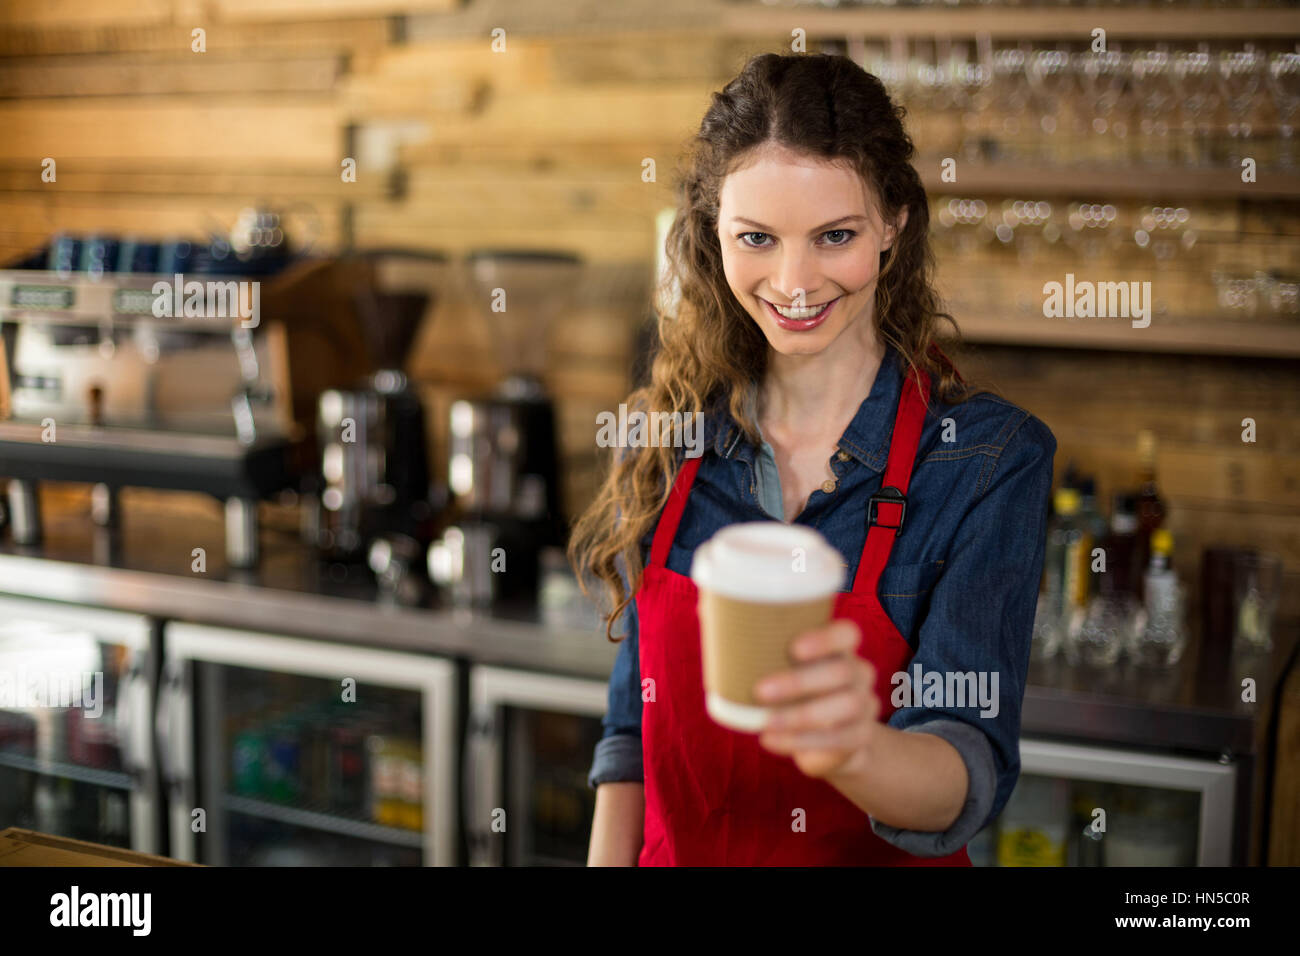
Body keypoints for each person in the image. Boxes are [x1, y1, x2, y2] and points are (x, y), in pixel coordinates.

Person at [568, 52, 1056, 866]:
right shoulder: (671, 431)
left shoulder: (985, 461)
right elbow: (632, 735)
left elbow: (964, 769)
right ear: (712, 231)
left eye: (835, 236)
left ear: (894, 223)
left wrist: (853, 749)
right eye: (756, 238)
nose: (794, 283)